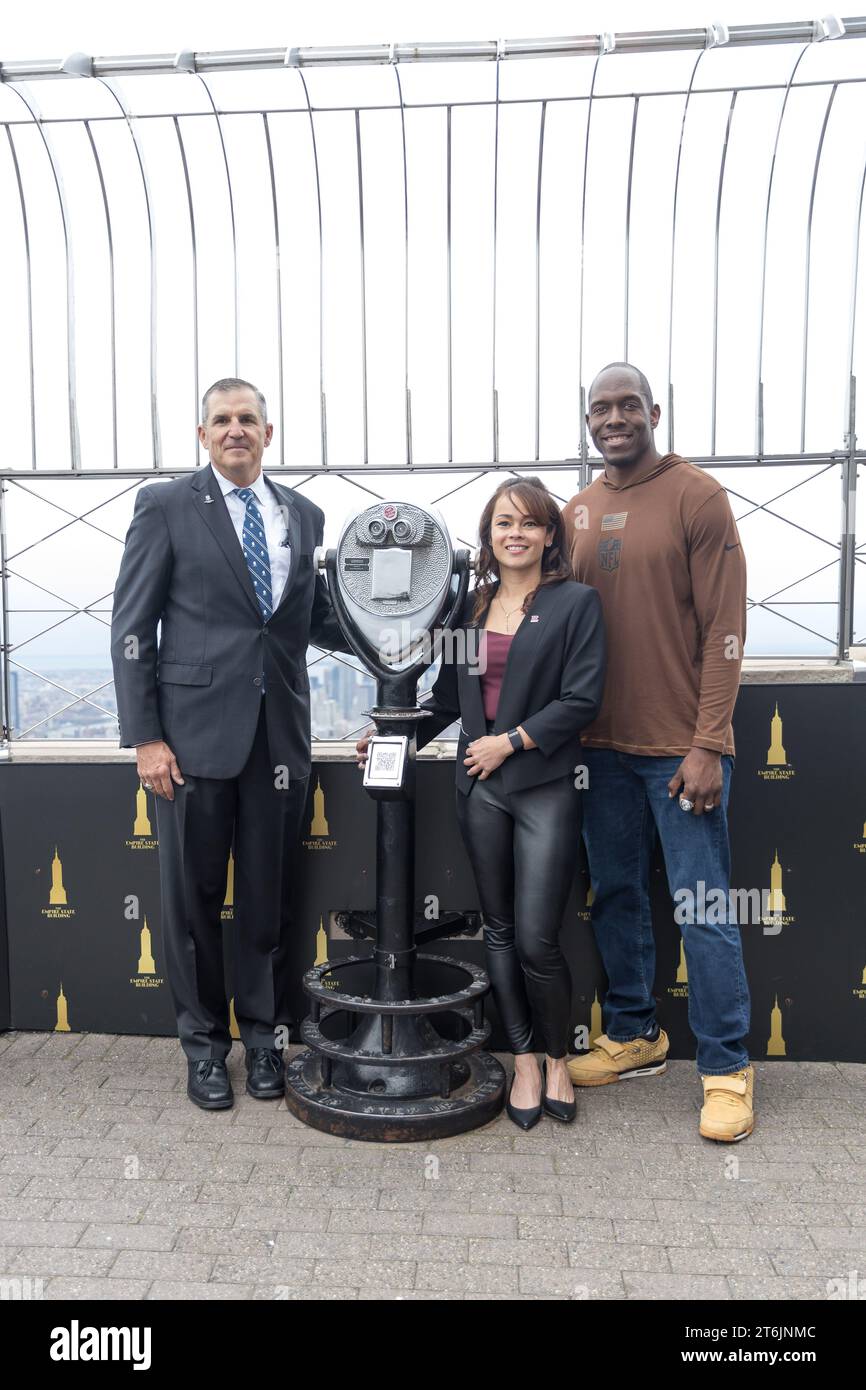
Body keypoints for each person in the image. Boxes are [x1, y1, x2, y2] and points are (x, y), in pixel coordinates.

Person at [111, 378, 346, 1110]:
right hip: (190, 744)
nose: (236, 429)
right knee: (191, 906)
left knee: (267, 907)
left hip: (279, 743)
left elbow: (312, 621)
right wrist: (146, 737)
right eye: (222, 419)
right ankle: (205, 1050)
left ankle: (264, 1041)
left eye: (248, 419)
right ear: (203, 434)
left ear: (268, 434)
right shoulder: (166, 507)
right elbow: (132, 628)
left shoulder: (304, 517)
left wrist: (406, 637)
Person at [358, 478, 605, 1129]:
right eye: (503, 524)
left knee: (536, 938)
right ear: (488, 535)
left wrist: (511, 742)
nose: (515, 534)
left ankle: (558, 1059)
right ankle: (522, 1058)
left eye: (528, 523)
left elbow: (581, 700)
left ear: (549, 534)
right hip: (479, 789)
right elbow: (444, 703)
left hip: (545, 786)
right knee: (496, 931)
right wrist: (389, 738)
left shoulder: (576, 603)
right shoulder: (469, 607)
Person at [562, 362, 753, 1142]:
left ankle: (727, 1068)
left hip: (681, 750)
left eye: (628, 405)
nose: (614, 418)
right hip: (597, 750)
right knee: (615, 897)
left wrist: (709, 743)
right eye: (601, 408)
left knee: (703, 909)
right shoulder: (574, 509)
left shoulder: (697, 496)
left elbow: (725, 631)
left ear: (654, 412)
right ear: (588, 419)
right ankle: (636, 1033)